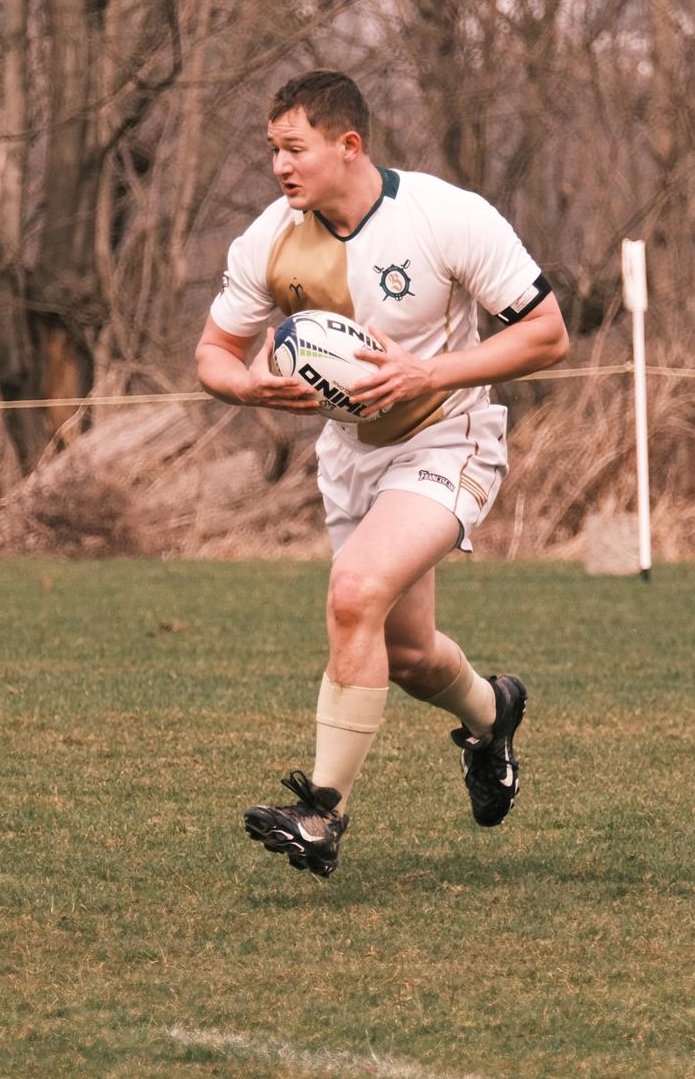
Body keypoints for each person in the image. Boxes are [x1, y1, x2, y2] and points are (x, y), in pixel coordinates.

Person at [195, 70, 569, 877]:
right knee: (407, 655)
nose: (278, 167)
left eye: (294, 149)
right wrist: (249, 385)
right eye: (272, 150)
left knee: (354, 591)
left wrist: (431, 374)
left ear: (348, 145)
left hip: (447, 438)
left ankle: (322, 813)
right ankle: (492, 713)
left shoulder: (445, 217)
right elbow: (212, 354)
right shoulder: (272, 237)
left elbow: (548, 335)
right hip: (351, 458)